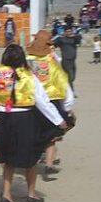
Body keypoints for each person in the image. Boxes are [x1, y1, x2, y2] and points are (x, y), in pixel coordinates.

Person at [0, 45, 68, 202]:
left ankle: (7, 195)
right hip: (26, 119)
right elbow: (42, 102)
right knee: (31, 159)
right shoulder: (30, 77)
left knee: (8, 159)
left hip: (6, 119)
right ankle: (31, 194)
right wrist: (59, 120)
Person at [25, 31, 75, 176]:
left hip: (30, 101)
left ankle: (38, 158)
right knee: (52, 135)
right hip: (51, 101)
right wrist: (67, 107)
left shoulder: (27, 60)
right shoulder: (52, 62)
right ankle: (48, 164)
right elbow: (63, 84)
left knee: (35, 131)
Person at [53, 26, 81, 91]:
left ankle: (64, 88)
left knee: (73, 77)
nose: (69, 33)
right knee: (70, 77)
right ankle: (71, 92)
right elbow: (53, 43)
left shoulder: (74, 39)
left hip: (73, 61)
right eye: (67, 31)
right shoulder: (61, 39)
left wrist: (74, 35)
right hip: (66, 61)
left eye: (70, 31)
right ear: (64, 32)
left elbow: (79, 38)